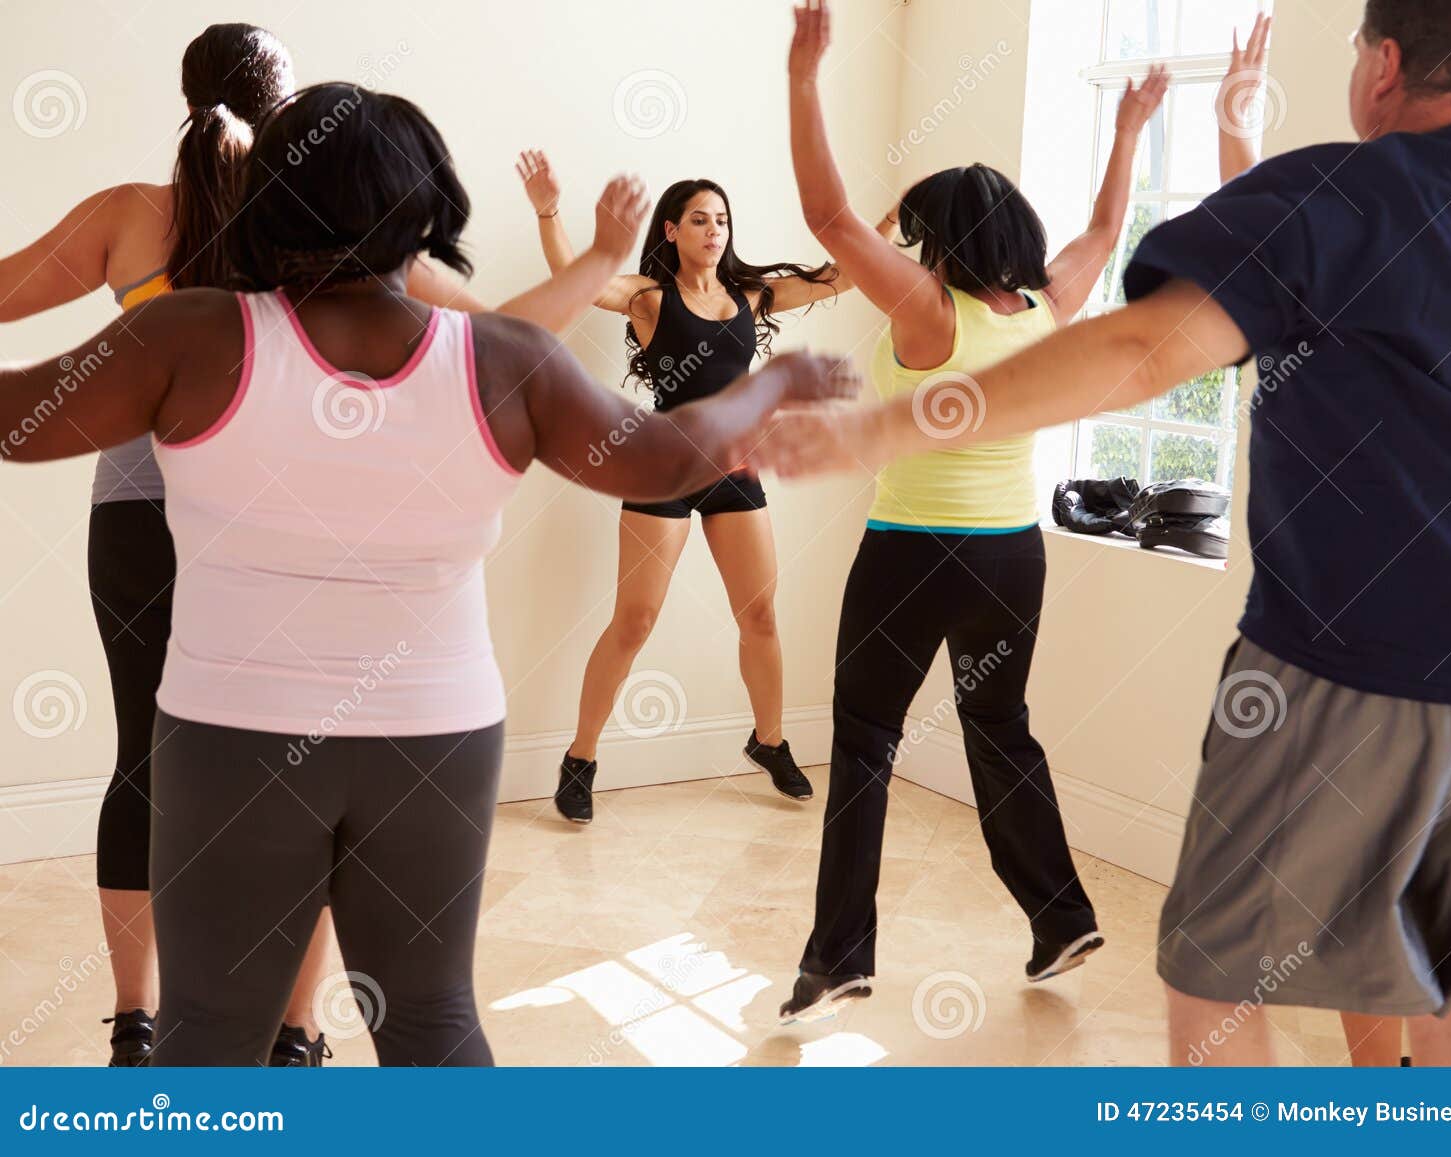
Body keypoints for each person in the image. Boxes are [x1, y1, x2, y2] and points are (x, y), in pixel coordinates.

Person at [757, 0, 1451, 1068]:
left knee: (1222, 995)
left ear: (1383, 64)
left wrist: (867, 429)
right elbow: (1152, 254)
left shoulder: (1335, 194)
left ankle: (845, 947)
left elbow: (1145, 351)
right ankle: (1050, 911)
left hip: (1347, 679)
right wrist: (1182, 133)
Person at [0, 82, 855, 1066]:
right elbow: (658, 458)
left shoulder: (191, 334)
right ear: (428, 207)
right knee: (431, 1023)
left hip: (233, 735)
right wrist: (776, 386)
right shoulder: (502, 358)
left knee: (206, 1032)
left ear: (266, 201)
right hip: (435, 736)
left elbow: (18, 417)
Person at [774, 0, 1169, 1022]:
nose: (904, 246)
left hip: (911, 553)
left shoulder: (923, 306)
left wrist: (803, 79)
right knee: (998, 723)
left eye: (914, 234)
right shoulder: (1046, 304)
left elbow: (825, 220)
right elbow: (1102, 232)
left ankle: (840, 954)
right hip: (1011, 558)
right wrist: (1126, 133)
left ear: (935, 239)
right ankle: (1059, 913)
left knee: (865, 735)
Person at [0, 23, 343, 1067]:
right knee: (311, 770)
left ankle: (135, 1025)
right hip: (277, 517)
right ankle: (296, 1031)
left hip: (137, 514)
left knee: (143, 761)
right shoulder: (323, 214)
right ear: (289, 104)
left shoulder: (127, 217)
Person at [519, 152, 890, 823]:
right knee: (634, 621)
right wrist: (548, 210)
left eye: (721, 219)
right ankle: (580, 759)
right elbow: (574, 277)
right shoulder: (647, 298)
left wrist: (880, 230)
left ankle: (769, 740)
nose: (713, 229)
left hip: (734, 472)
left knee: (761, 615)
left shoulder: (751, 296)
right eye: (698, 219)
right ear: (670, 231)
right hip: (661, 466)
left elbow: (840, 279)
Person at [1217, 10, 1406, 1070]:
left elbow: (1255, 241)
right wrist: (1237, 127)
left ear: (1383, 69)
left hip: (1348, 664)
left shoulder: (1336, 230)